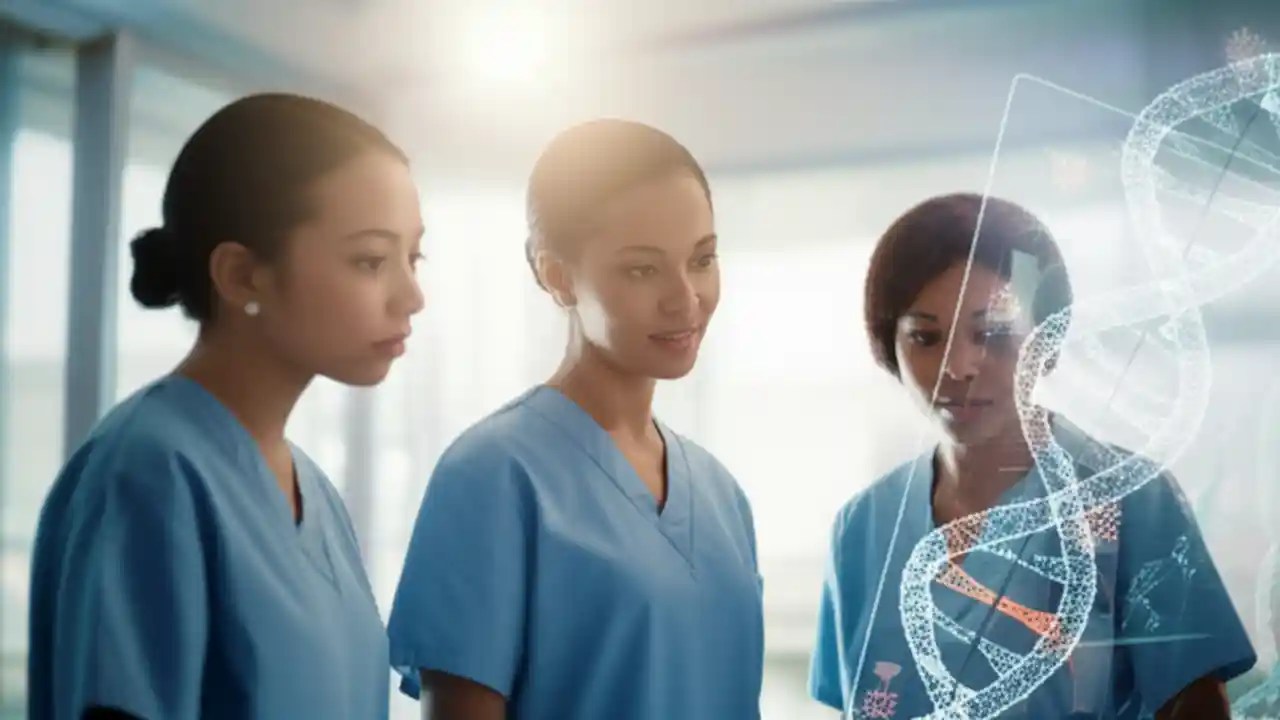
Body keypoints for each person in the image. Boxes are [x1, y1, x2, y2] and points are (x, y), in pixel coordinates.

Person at [28, 93, 425, 720]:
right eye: (371, 260)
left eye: (413, 257)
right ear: (242, 275)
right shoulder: (151, 473)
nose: (412, 295)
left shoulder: (314, 493)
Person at [808, 193, 1256, 719]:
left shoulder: (1131, 498)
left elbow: (1196, 704)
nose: (960, 366)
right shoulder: (862, 529)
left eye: (993, 333)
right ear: (890, 346)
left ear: (1047, 336)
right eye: (926, 337)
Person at [387, 119, 764, 720]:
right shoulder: (492, 476)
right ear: (555, 273)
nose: (685, 297)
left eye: (702, 259)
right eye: (643, 269)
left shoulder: (722, 496)